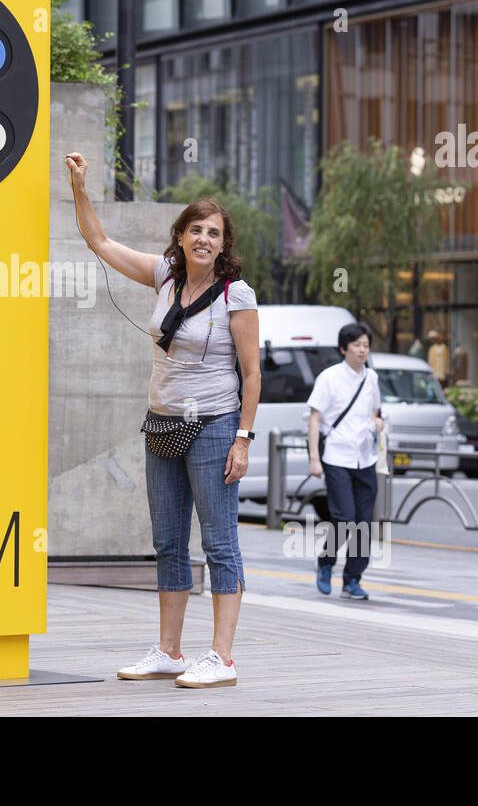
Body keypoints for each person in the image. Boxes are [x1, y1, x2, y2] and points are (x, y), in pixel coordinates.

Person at [65, 151, 261, 689]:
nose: (204, 238)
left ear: (224, 245)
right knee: (170, 542)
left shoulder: (235, 295)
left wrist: (242, 441)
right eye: (195, 229)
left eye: (214, 233)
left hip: (216, 426)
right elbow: (100, 244)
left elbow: (252, 374)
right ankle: (170, 651)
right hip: (162, 424)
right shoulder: (165, 277)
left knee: (219, 543)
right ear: (180, 237)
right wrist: (81, 188)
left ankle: (221, 657)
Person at [307, 323, 383, 600]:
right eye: (357, 345)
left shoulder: (371, 378)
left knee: (363, 522)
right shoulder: (329, 378)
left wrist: (378, 423)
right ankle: (326, 564)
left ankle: (352, 580)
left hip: (365, 457)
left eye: (366, 345)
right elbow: (314, 419)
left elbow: (376, 412)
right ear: (344, 349)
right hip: (337, 456)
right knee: (343, 518)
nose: (363, 350)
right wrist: (314, 459)